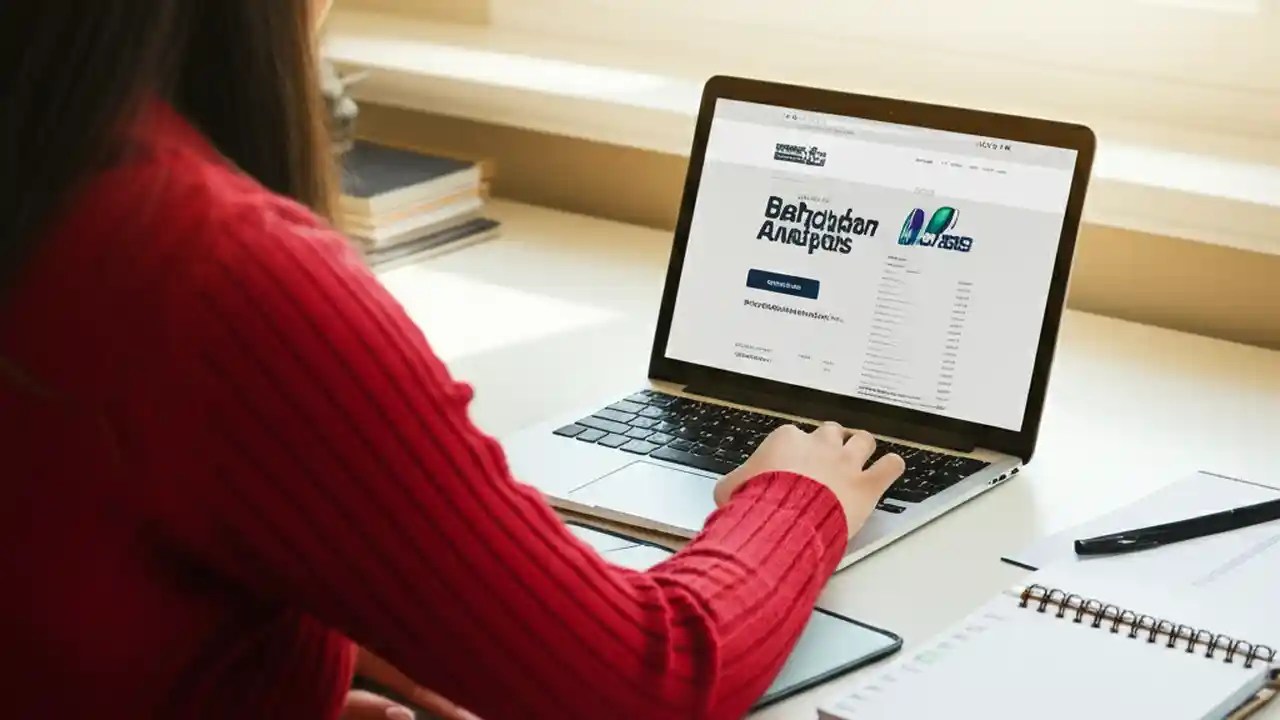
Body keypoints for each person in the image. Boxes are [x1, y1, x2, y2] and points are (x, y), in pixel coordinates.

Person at [0, 2, 906, 719]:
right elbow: (648, 678)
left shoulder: (52, 183)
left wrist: (290, 664)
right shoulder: (214, 271)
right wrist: (799, 496)